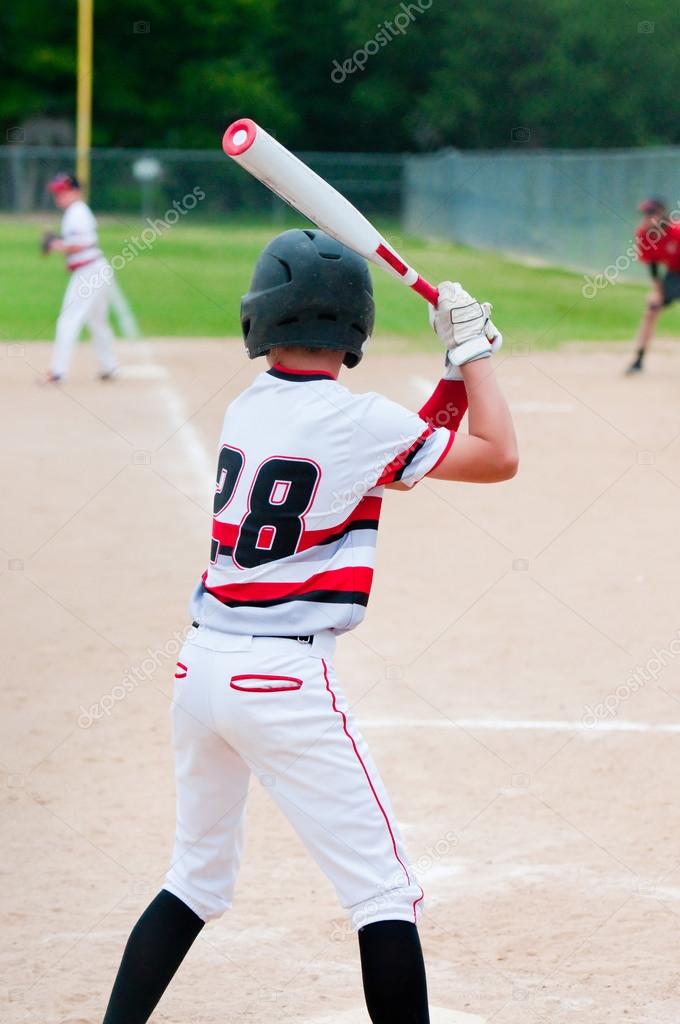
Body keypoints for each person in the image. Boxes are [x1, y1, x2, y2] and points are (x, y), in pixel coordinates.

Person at [100, 229, 518, 1024]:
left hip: (200, 672)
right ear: (355, 329)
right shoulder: (361, 423)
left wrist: (452, 371)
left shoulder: (249, 408)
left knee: (192, 882)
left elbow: (389, 460)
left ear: (260, 319)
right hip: (283, 684)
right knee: (385, 895)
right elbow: (499, 455)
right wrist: (478, 357)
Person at [43, 172, 118, 383]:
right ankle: (109, 366)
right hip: (96, 269)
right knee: (98, 322)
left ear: (76, 191)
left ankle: (58, 371)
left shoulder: (77, 212)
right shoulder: (77, 211)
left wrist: (55, 244)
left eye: (64, 192)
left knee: (69, 319)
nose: (59, 196)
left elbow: (82, 242)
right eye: (58, 192)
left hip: (89, 272)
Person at [627, 197, 680, 374]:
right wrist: (657, 292)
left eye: (651, 213)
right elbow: (653, 265)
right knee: (651, 309)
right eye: (644, 214)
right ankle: (638, 360)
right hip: (674, 274)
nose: (646, 217)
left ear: (662, 214)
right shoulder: (643, 234)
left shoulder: (677, 232)